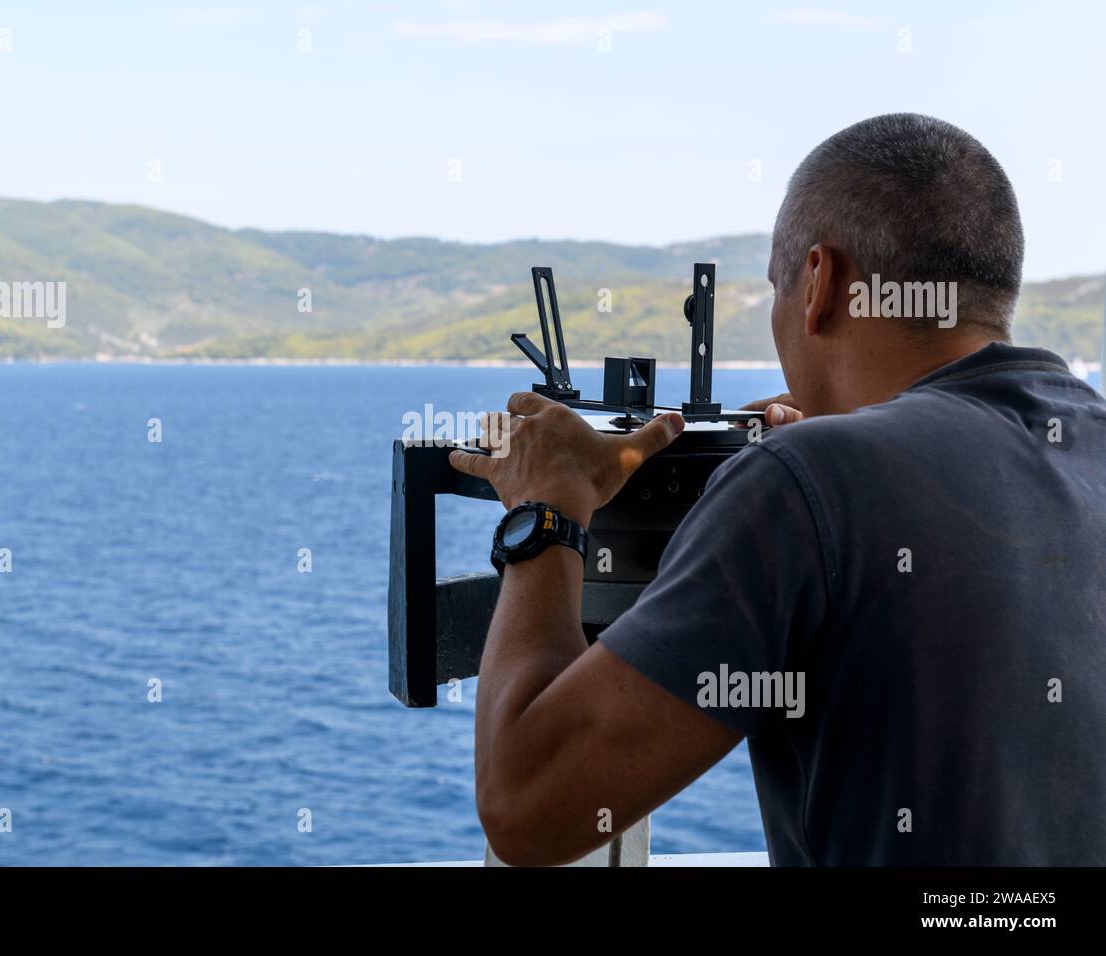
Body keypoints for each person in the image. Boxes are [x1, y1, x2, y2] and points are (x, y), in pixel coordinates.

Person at [449, 113, 1106, 866]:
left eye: (776, 285)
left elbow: (528, 807)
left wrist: (548, 508)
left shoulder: (808, 483)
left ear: (820, 283)